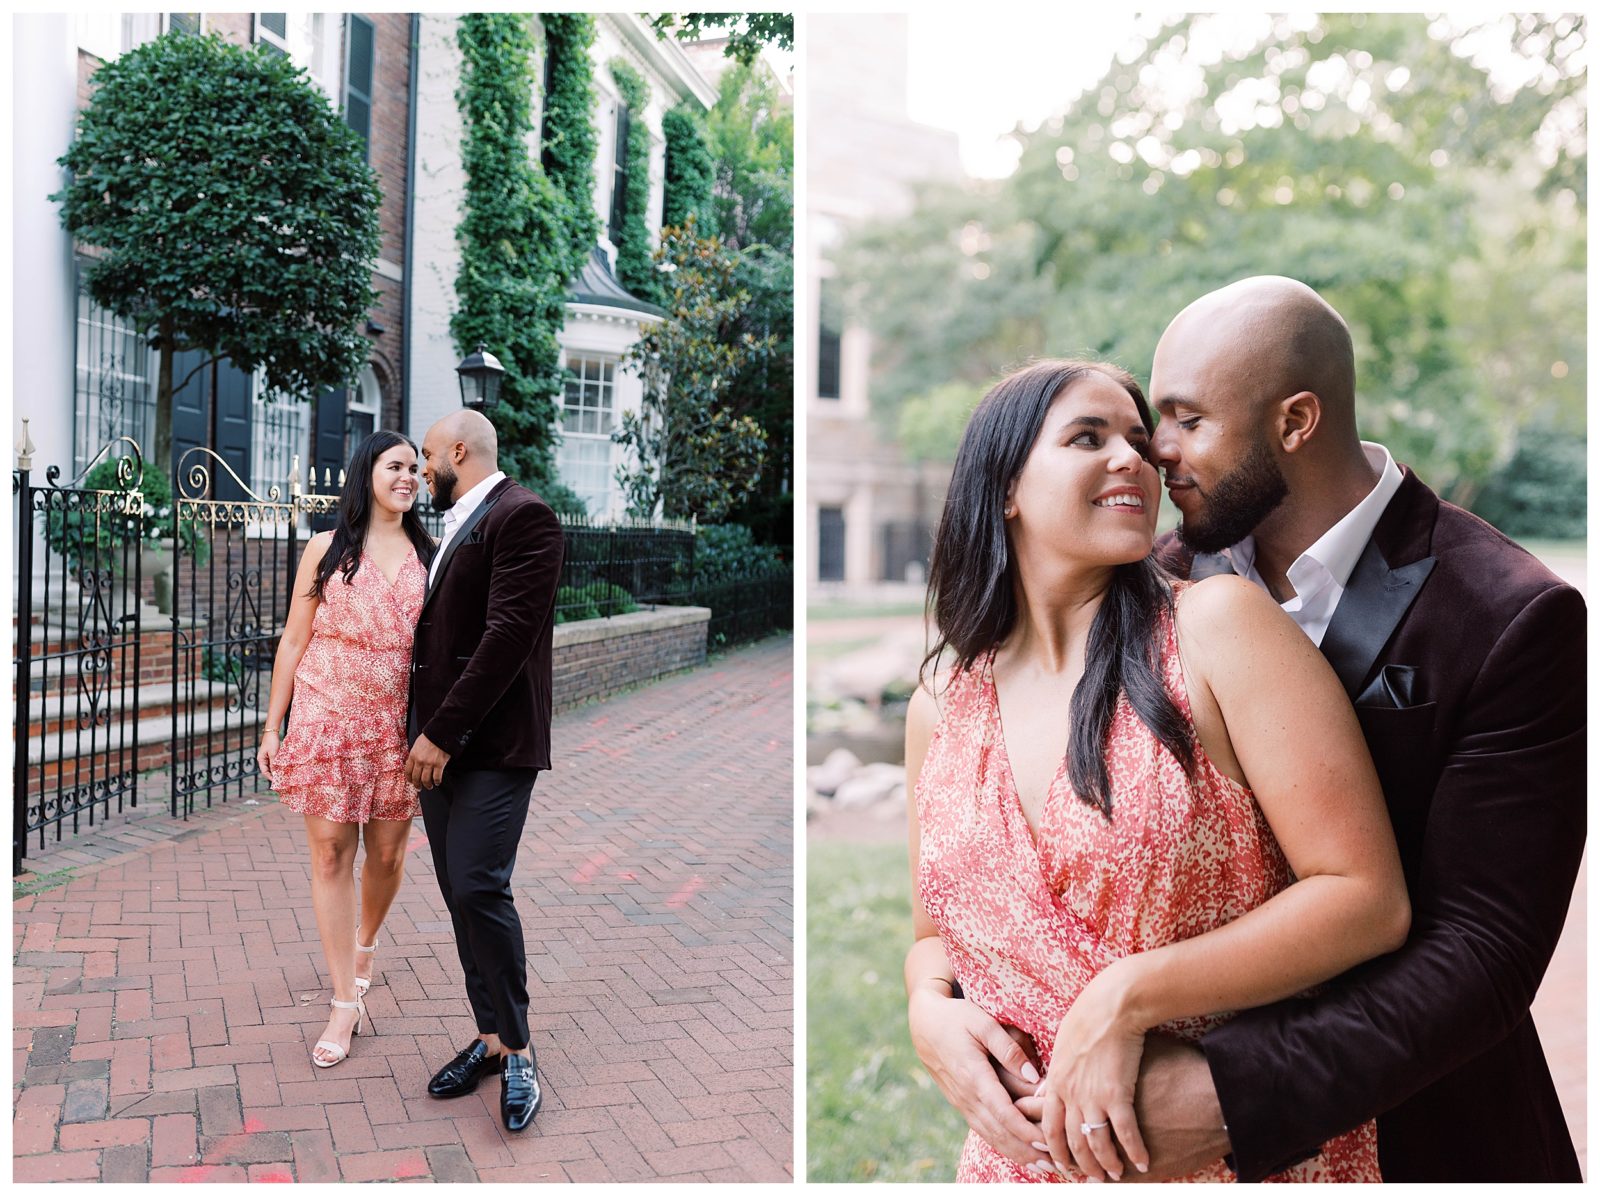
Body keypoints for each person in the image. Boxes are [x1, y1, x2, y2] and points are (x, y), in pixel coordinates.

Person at [911, 277, 1586, 1181]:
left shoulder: (1510, 615)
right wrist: (928, 1008)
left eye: (1184, 421)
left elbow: (1483, 950)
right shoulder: (1145, 572)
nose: (1153, 453)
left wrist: (1229, 1095)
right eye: (1140, 426)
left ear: (1295, 423)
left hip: (1409, 1124)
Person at [905, 358, 1411, 1183]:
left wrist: (1128, 996)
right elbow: (934, 935)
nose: (1136, 460)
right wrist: (927, 1009)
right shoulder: (942, 706)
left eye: (1140, 441)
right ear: (1005, 488)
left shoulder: (1216, 629)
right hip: (1021, 1168)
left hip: (1222, 1150)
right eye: (1087, 437)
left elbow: (1364, 897)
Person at [405, 408, 564, 1133]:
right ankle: (490, 1037)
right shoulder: (454, 524)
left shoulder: (525, 517)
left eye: (428, 456)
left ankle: (521, 1049)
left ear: (458, 451)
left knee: (480, 885)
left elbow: (506, 639)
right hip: (442, 749)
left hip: (492, 746)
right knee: (457, 894)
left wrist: (439, 732)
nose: (421, 469)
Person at [258, 430, 435, 1068]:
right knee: (332, 853)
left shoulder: (430, 555)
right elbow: (292, 640)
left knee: (387, 855)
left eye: (415, 468)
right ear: (367, 474)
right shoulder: (326, 550)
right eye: (396, 466)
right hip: (328, 720)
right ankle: (342, 1001)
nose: (409, 477)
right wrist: (272, 727)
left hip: (394, 728)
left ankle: (366, 942)